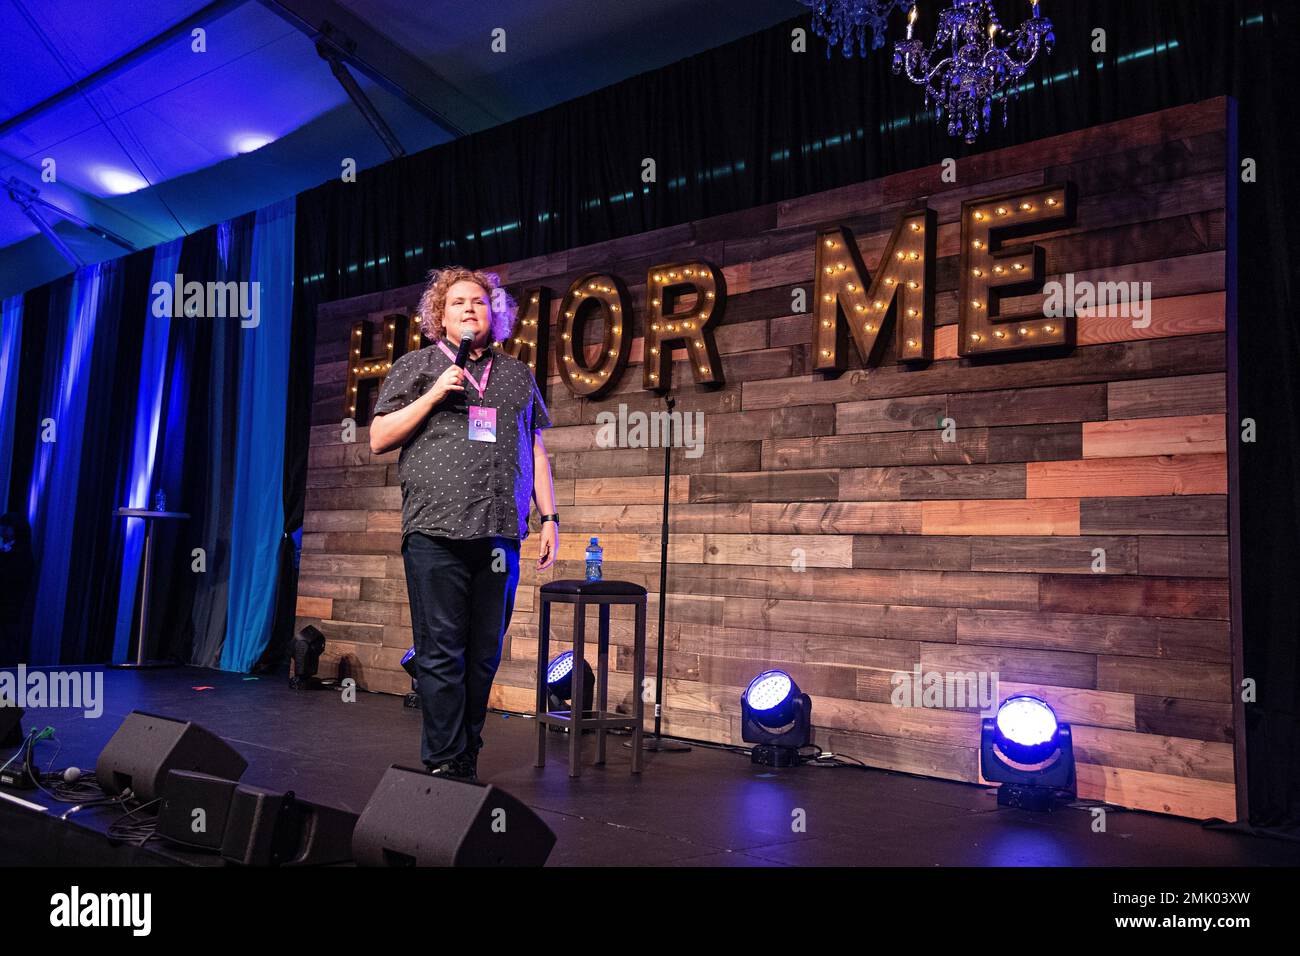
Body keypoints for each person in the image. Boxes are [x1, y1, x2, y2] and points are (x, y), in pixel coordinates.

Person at [370, 267, 559, 781]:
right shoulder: (415, 367)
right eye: (457, 302)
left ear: (495, 312)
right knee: (440, 654)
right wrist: (433, 394)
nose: (470, 308)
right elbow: (379, 438)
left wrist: (550, 516)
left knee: (482, 656)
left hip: (499, 532)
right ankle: (443, 762)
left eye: (479, 301)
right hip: (436, 530)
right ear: (440, 315)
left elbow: (535, 447)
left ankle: (466, 753)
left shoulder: (517, 373)